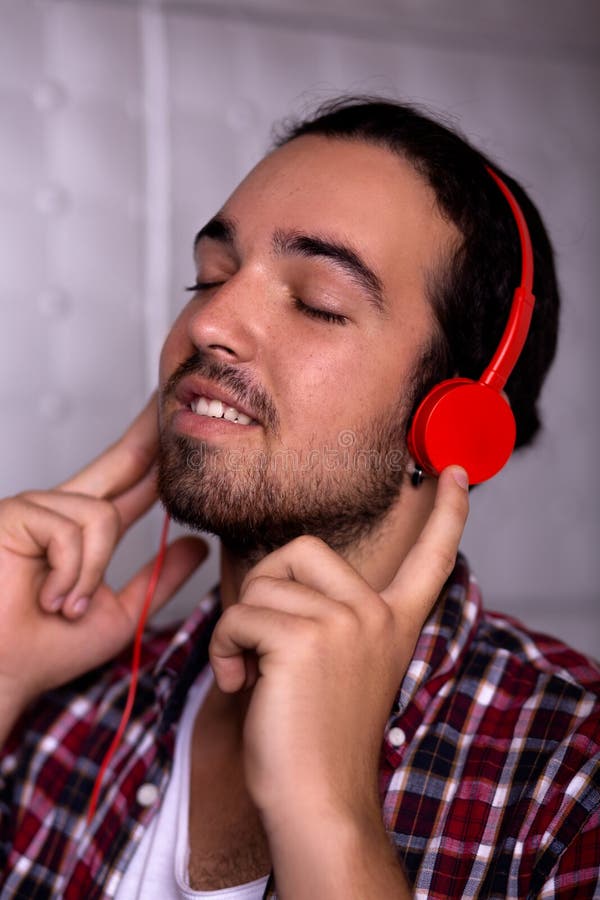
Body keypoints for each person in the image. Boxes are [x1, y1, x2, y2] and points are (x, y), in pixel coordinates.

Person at [0, 97, 598, 899]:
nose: (211, 320)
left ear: (454, 422)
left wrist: (332, 822)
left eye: (318, 300)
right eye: (208, 276)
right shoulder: (58, 714)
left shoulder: (573, 775)